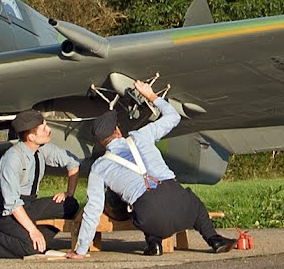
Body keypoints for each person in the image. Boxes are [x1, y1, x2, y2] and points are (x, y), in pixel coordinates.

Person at [68, 79, 236, 258]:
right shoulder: (142, 136)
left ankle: (154, 243)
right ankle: (214, 239)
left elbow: (93, 208)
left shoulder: (99, 168)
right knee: (194, 203)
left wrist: (81, 249)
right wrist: (151, 95)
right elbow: (173, 117)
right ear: (118, 130)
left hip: (150, 219)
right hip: (181, 208)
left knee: (134, 207)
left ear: (101, 142)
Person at [0, 109, 81, 258]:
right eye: (43, 128)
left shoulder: (42, 149)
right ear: (31, 136)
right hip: (6, 211)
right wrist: (33, 230)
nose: (49, 130)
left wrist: (69, 193)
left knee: (70, 205)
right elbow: (12, 203)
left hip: (29, 204)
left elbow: (73, 162)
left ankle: (33, 239)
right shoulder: (12, 158)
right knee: (32, 247)